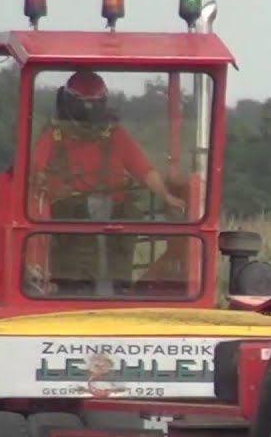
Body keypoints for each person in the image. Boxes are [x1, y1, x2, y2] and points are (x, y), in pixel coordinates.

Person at [25, 70, 185, 291]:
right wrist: (44, 180)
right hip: (71, 219)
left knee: (127, 219)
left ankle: (118, 287)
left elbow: (145, 171)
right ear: (69, 102)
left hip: (115, 219)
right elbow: (35, 169)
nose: (88, 110)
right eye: (83, 103)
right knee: (73, 257)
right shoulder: (54, 136)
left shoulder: (115, 135)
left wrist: (166, 196)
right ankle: (72, 287)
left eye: (93, 103)